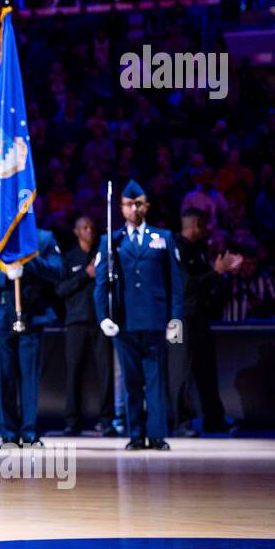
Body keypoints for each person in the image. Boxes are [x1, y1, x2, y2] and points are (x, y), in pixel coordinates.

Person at [94, 180, 184, 451]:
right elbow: (101, 283)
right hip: (125, 319)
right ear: (121, 208)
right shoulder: (111, 240)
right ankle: (135, 434)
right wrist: (103, 316)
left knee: (155, 379)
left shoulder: (163, 238)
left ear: (147, 206)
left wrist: (176, 318)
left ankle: (156, 434)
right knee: (131, 381)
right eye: (128, 204)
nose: (134, 208)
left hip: (155, 319)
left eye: (138, 203)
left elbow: (175, 283)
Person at [0, 228, 63, 447]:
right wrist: (3, 274)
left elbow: (58, 271)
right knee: (4, 377)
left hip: (33, 312)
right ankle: (8, 433)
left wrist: (29, 263)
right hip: (1, 314)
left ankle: (30, 432)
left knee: (30, 377)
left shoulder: (43, 238)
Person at [171, 208, 241, 436]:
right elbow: (186, 285)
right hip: (177, 318)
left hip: (198, 316)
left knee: (206, 369)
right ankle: (181, 421)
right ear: (195, 223)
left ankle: (214, 419)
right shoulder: (175, 248)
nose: (208, 230)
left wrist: (225, 273)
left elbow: (207, 285)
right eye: (205, 224)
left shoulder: (199, 251)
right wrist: (215, 271)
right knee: (180, 369)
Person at [54, 217, 115, 436]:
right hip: (76, 321)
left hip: (101, 321)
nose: (89, 231)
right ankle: (72, 421)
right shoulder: (69, 258)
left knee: (105, 371)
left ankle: (107, 420)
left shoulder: (103, 254)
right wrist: (84, 275)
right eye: (84, 228)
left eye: (91, 227)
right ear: (76, 231)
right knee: (74, 372)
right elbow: (60, 290)